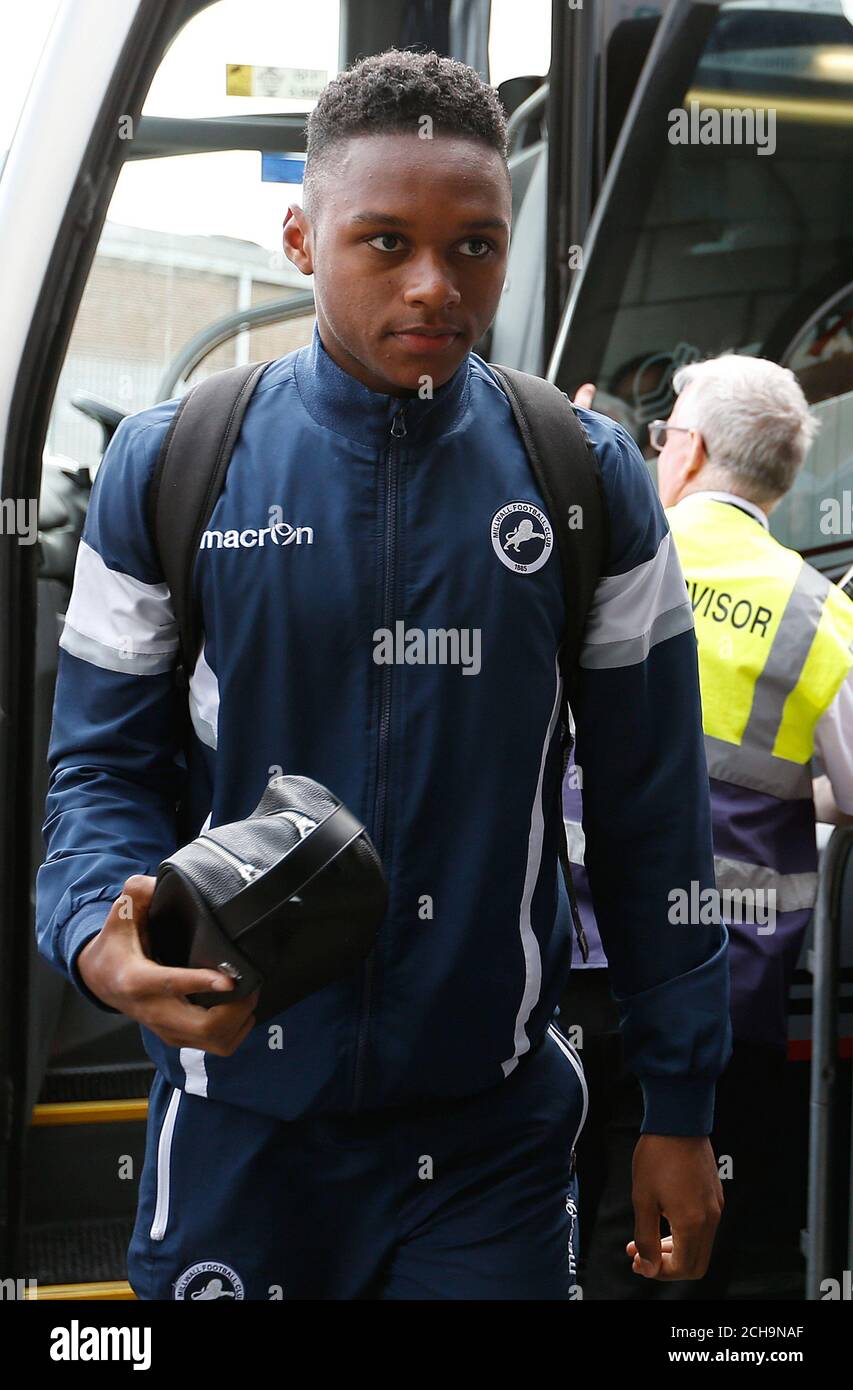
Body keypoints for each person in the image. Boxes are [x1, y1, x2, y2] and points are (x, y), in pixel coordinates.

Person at [36, 49, 729, 1302]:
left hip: (492, 1139)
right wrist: (98, 939)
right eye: (383, 241)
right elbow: (98, 772)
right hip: (242, 1126)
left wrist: (678, 1101)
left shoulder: (587, 479)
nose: (434, 285)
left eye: (474, 246)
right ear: (301, 239)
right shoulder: (171, 467)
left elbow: (653, 815)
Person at [563, 354, 853, 1298]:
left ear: (682, 453)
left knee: (538, 1222)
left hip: (561, 959)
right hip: (724, 990)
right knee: (667, 1255)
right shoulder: (819, 612)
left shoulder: (591, 565)